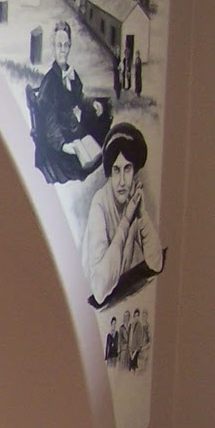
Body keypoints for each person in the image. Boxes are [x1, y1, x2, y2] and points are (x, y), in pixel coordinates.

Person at [83, 122, 166, 307]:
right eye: (116, 170)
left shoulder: (134, 199)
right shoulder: (100, 204)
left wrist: (142, 215)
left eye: (127, 169)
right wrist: (126, 220)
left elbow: (157, 263)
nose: (122, 181)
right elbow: (99, 289)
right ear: (110, 173)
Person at [30, 21, 110, 184]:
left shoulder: (71, 74)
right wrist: (65, 146)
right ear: (52, 47)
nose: (63, 50)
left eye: (66, 45)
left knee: (101, 135)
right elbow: (50, 125)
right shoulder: (50, 82)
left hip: (72, 130)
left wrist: (92, 103)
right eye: (59, 45)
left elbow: (79, 96)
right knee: (81, 168)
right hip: (58, 141)